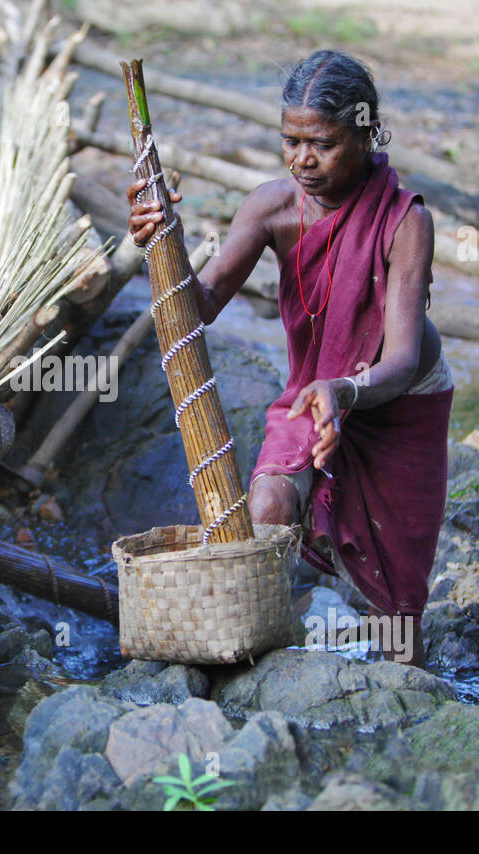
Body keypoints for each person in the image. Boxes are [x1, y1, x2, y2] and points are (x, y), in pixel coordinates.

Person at [125, 50, 453, 667]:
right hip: (317, 387)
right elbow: (202, 303)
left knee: (396, 600)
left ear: (364, 135)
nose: (303, 160)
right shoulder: (270, 207)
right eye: (290, 142)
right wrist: (163, 239)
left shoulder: (406, 222)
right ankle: (262, 663)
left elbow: (404, 358)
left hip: (400, 395)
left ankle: (406, 689)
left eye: (323, 144)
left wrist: (346, 391)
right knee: (270, 505)